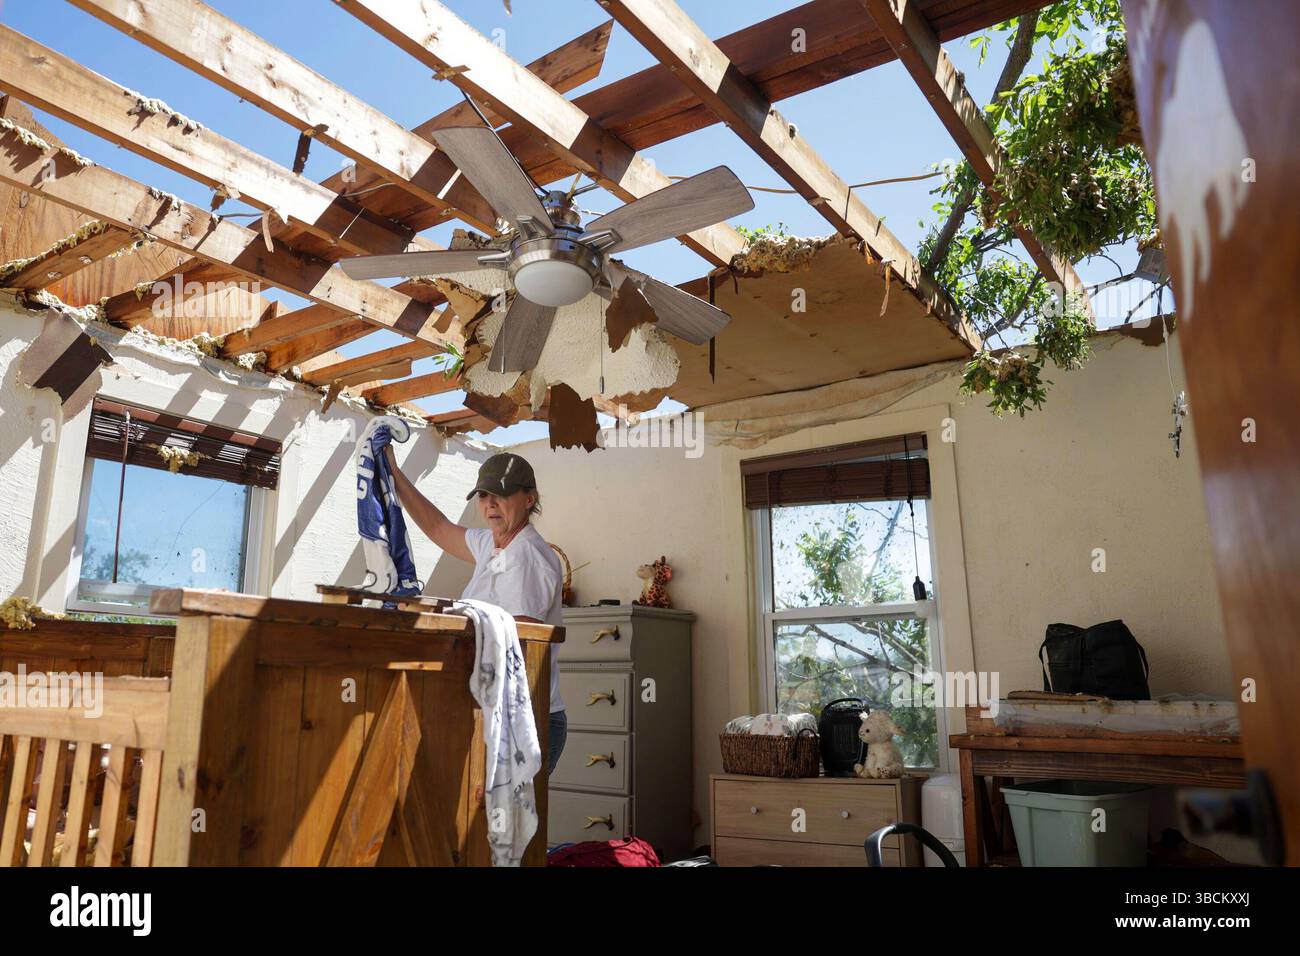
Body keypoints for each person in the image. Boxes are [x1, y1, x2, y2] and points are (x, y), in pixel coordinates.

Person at [379, 439, 567, 773]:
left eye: (501, 494)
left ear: (529, 498)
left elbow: (518, 648)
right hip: (497, 710)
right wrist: (393, 471)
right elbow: (438, 528)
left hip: (524, 719)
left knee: (500, 822)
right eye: (483, 495)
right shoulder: (491, 543)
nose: (491, 504)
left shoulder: (527, 557)